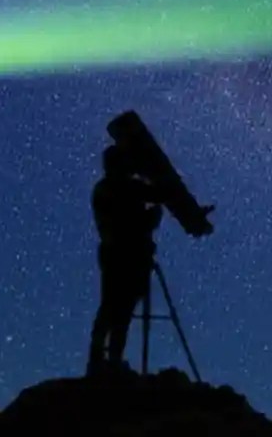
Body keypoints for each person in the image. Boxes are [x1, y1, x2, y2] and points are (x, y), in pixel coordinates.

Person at [86, 144, 167, 376]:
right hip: (123, 255)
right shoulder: (119, 189)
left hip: (121, 255)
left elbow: (154, 195)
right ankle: (106, 360)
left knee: (116, 309)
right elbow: (133, 220)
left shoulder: (107, 188)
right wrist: (151, 217)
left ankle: (105, 359)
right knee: (116, 309)